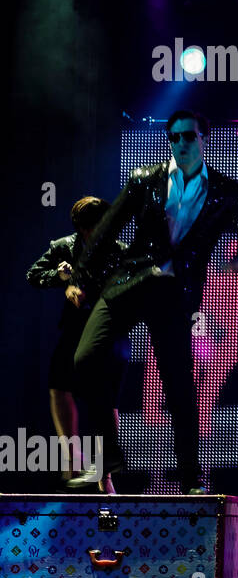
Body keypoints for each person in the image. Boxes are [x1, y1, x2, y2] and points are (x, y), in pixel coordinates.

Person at [66, 110, 238, 494]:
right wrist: (78, 279)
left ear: (204, 138)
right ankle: (109, 459)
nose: (181, 144)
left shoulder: (225, 190)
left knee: (179, 385)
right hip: (129, 284)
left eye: (188, 136)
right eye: (174, 137)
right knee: (86, 359)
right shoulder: (145, 179)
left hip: (176, 293)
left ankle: (191, 476)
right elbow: (106, 230)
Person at [27, 197, 127, 489]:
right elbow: (33, 275)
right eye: (94, 227)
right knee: (59, 387)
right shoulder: (63, 247)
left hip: (109, 330)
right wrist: (60, 277)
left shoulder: (120, 252)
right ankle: (73, 459)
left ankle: (104, 474)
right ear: (82, 229)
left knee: (106, 399)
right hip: (75, 329)